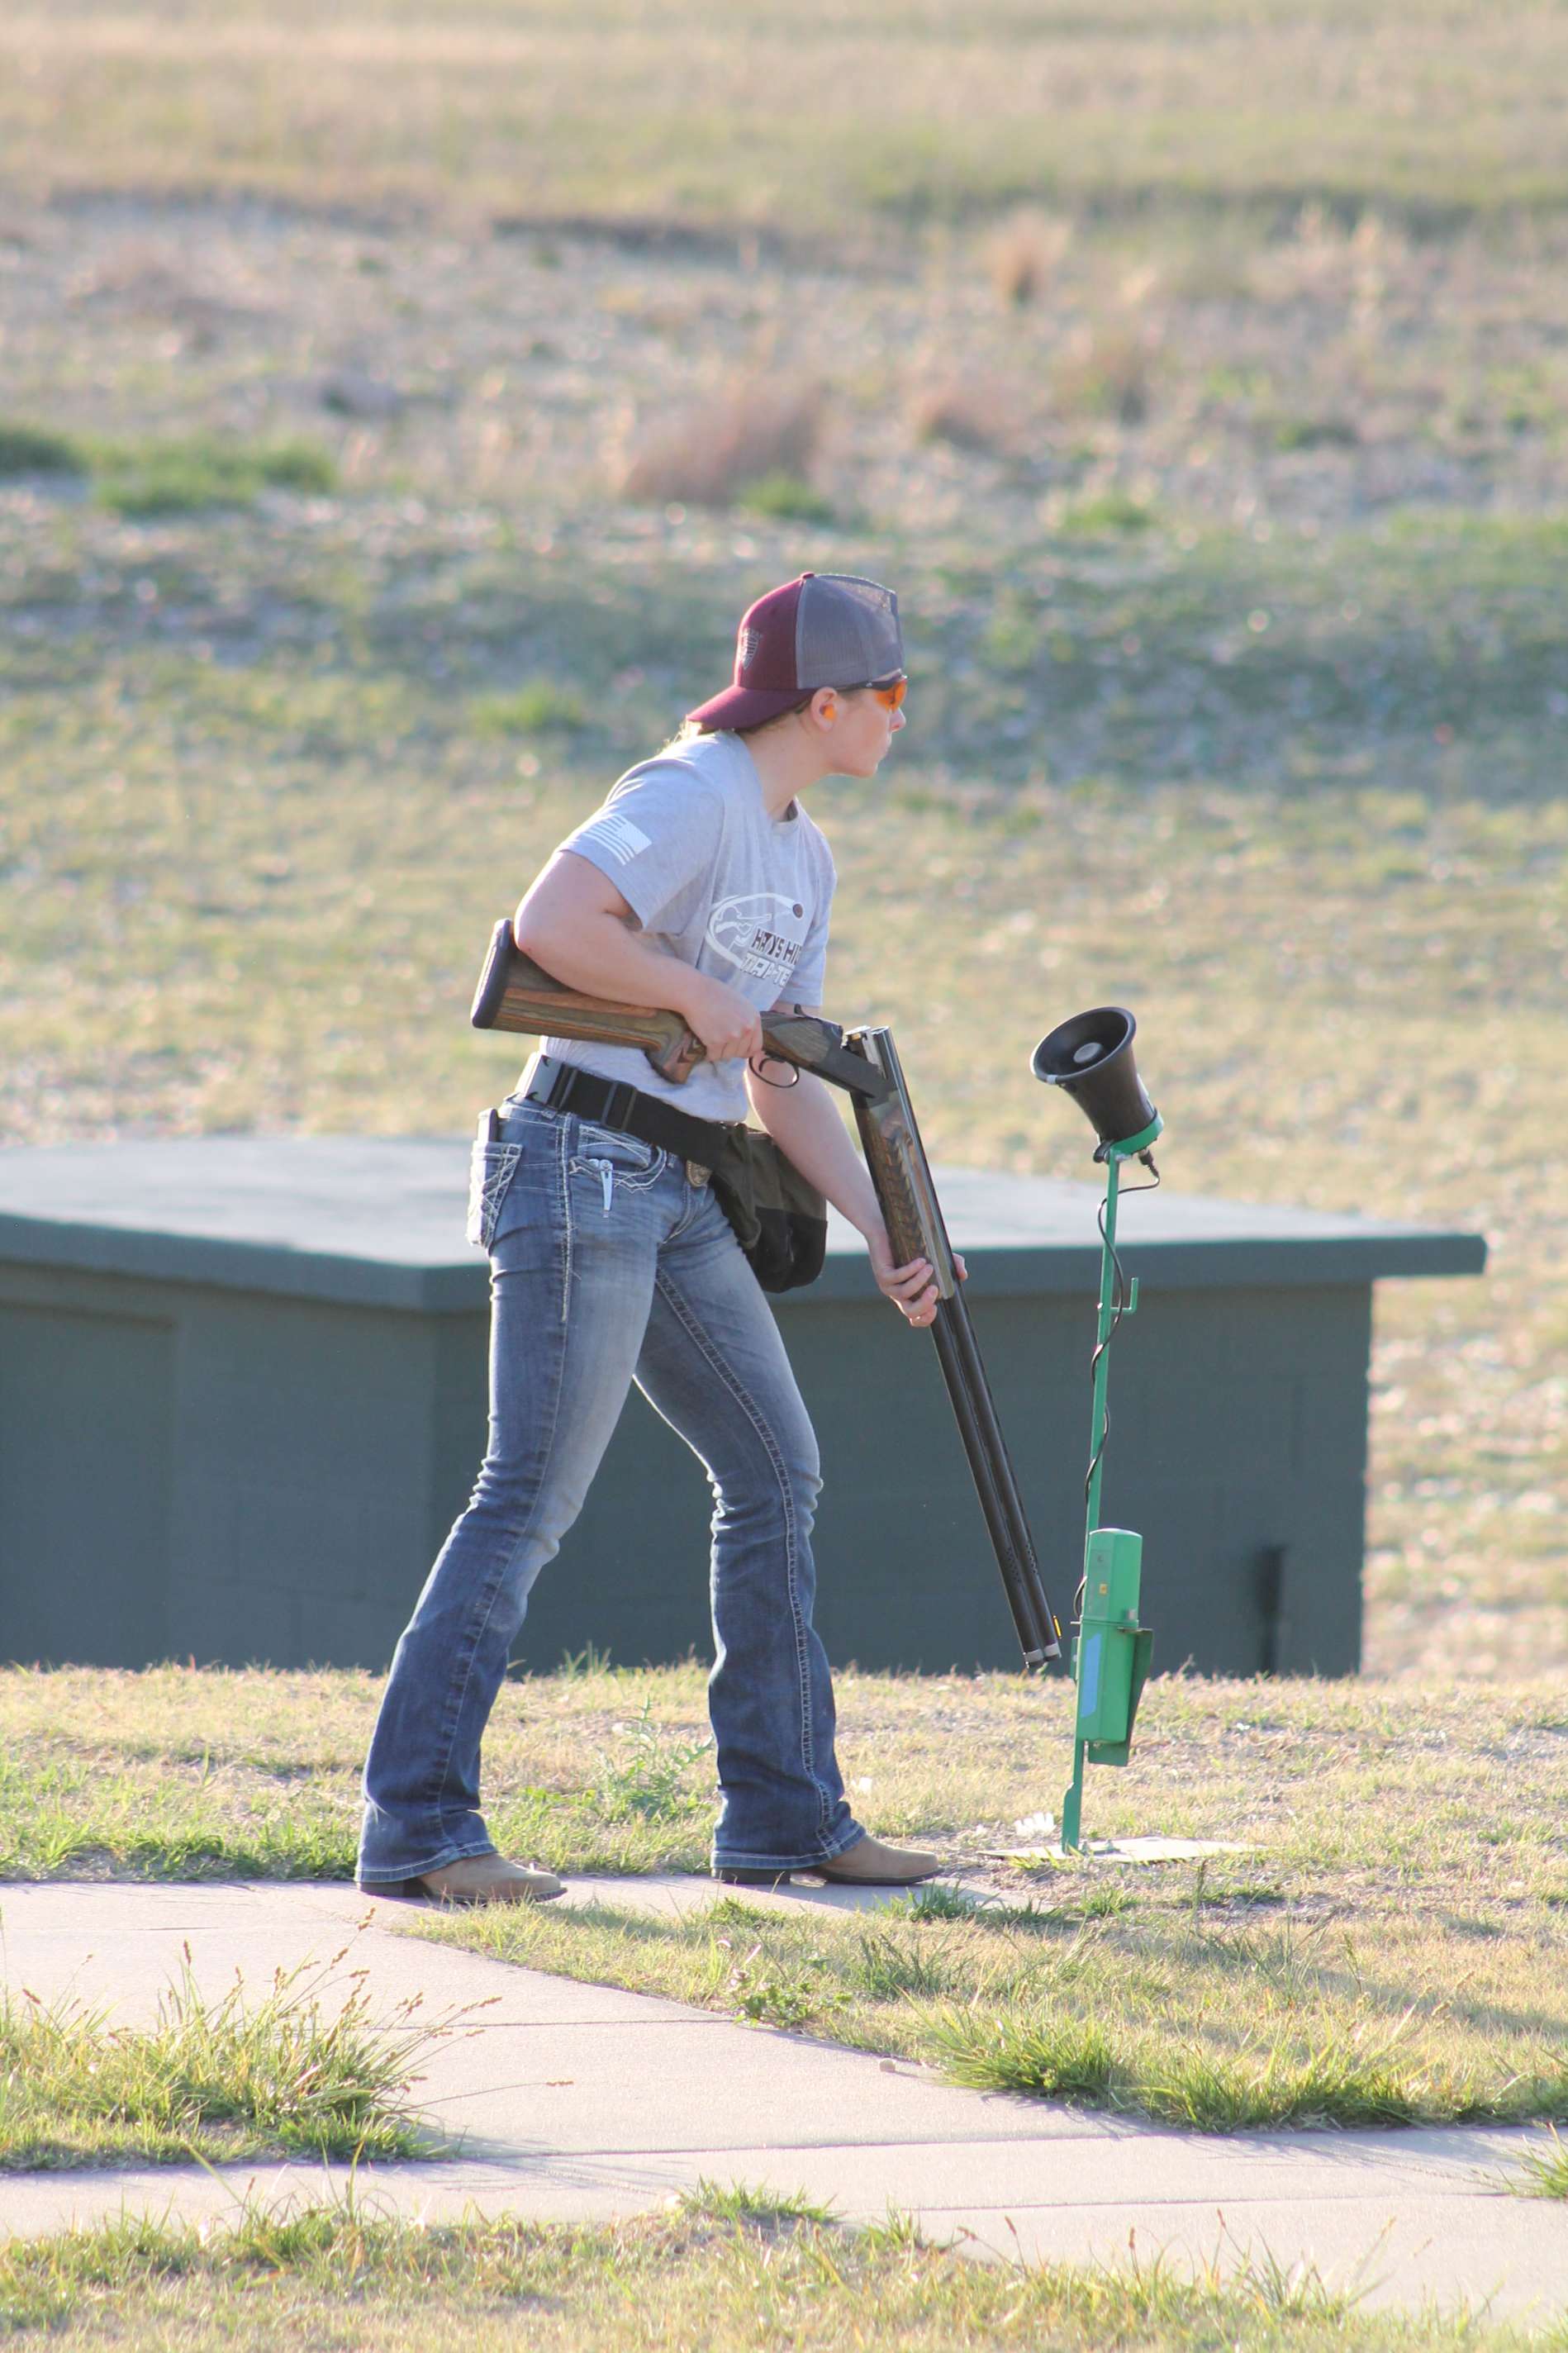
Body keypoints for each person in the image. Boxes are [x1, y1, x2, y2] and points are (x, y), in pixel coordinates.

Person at [357, 571, 956, 1904]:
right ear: (824, 702)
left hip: (680, 1188)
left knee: (776, 1473)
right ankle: (418, 1830)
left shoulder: (805, 853)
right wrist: (688, 987)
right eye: (892, 695)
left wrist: (877, 1225)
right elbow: (550, 927)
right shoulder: (691, 793)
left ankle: (786, 1823)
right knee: (526, 1502)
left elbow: (776, 1077)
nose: (902, 720)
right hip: (576, 1161)